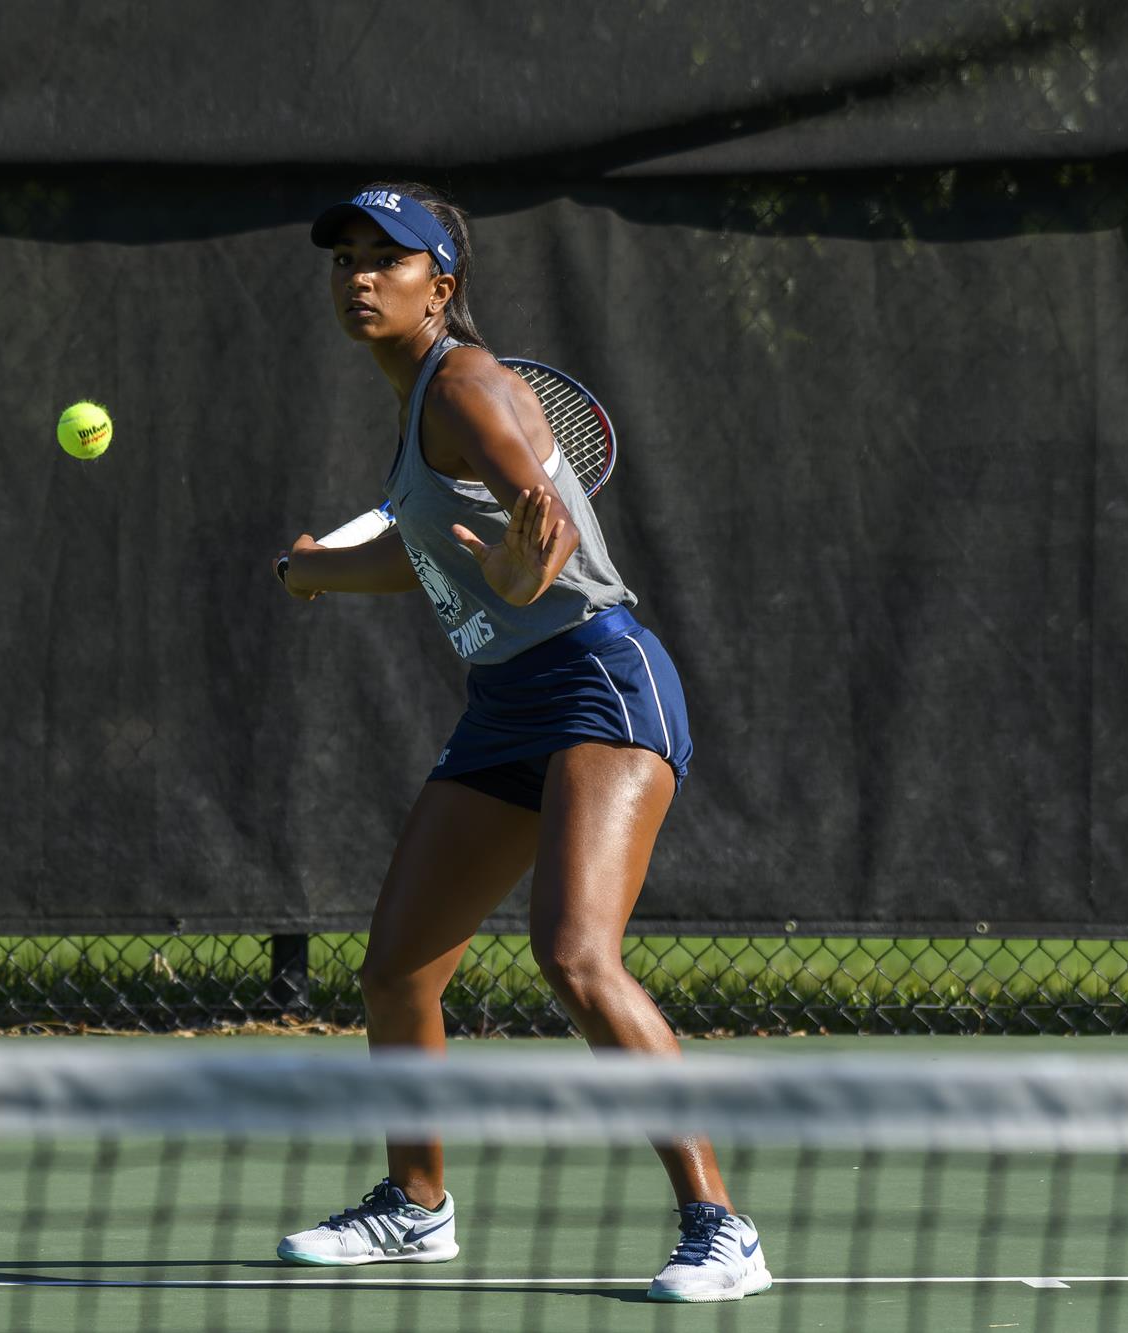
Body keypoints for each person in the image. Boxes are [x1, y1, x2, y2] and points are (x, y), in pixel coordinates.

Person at [269, 182, 772, 1304]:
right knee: (398, 968)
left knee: (575, 954)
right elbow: (425, 552)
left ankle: (719, 1224)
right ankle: (414, 1206)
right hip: (505, 700)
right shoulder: (414, 405)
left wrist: (517, 568)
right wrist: (316, 570)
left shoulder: (467, 384)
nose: (357, 276)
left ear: (438, 286)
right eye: (343, 257)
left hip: (599, 679)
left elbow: (532, 515)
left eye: (384, 260)